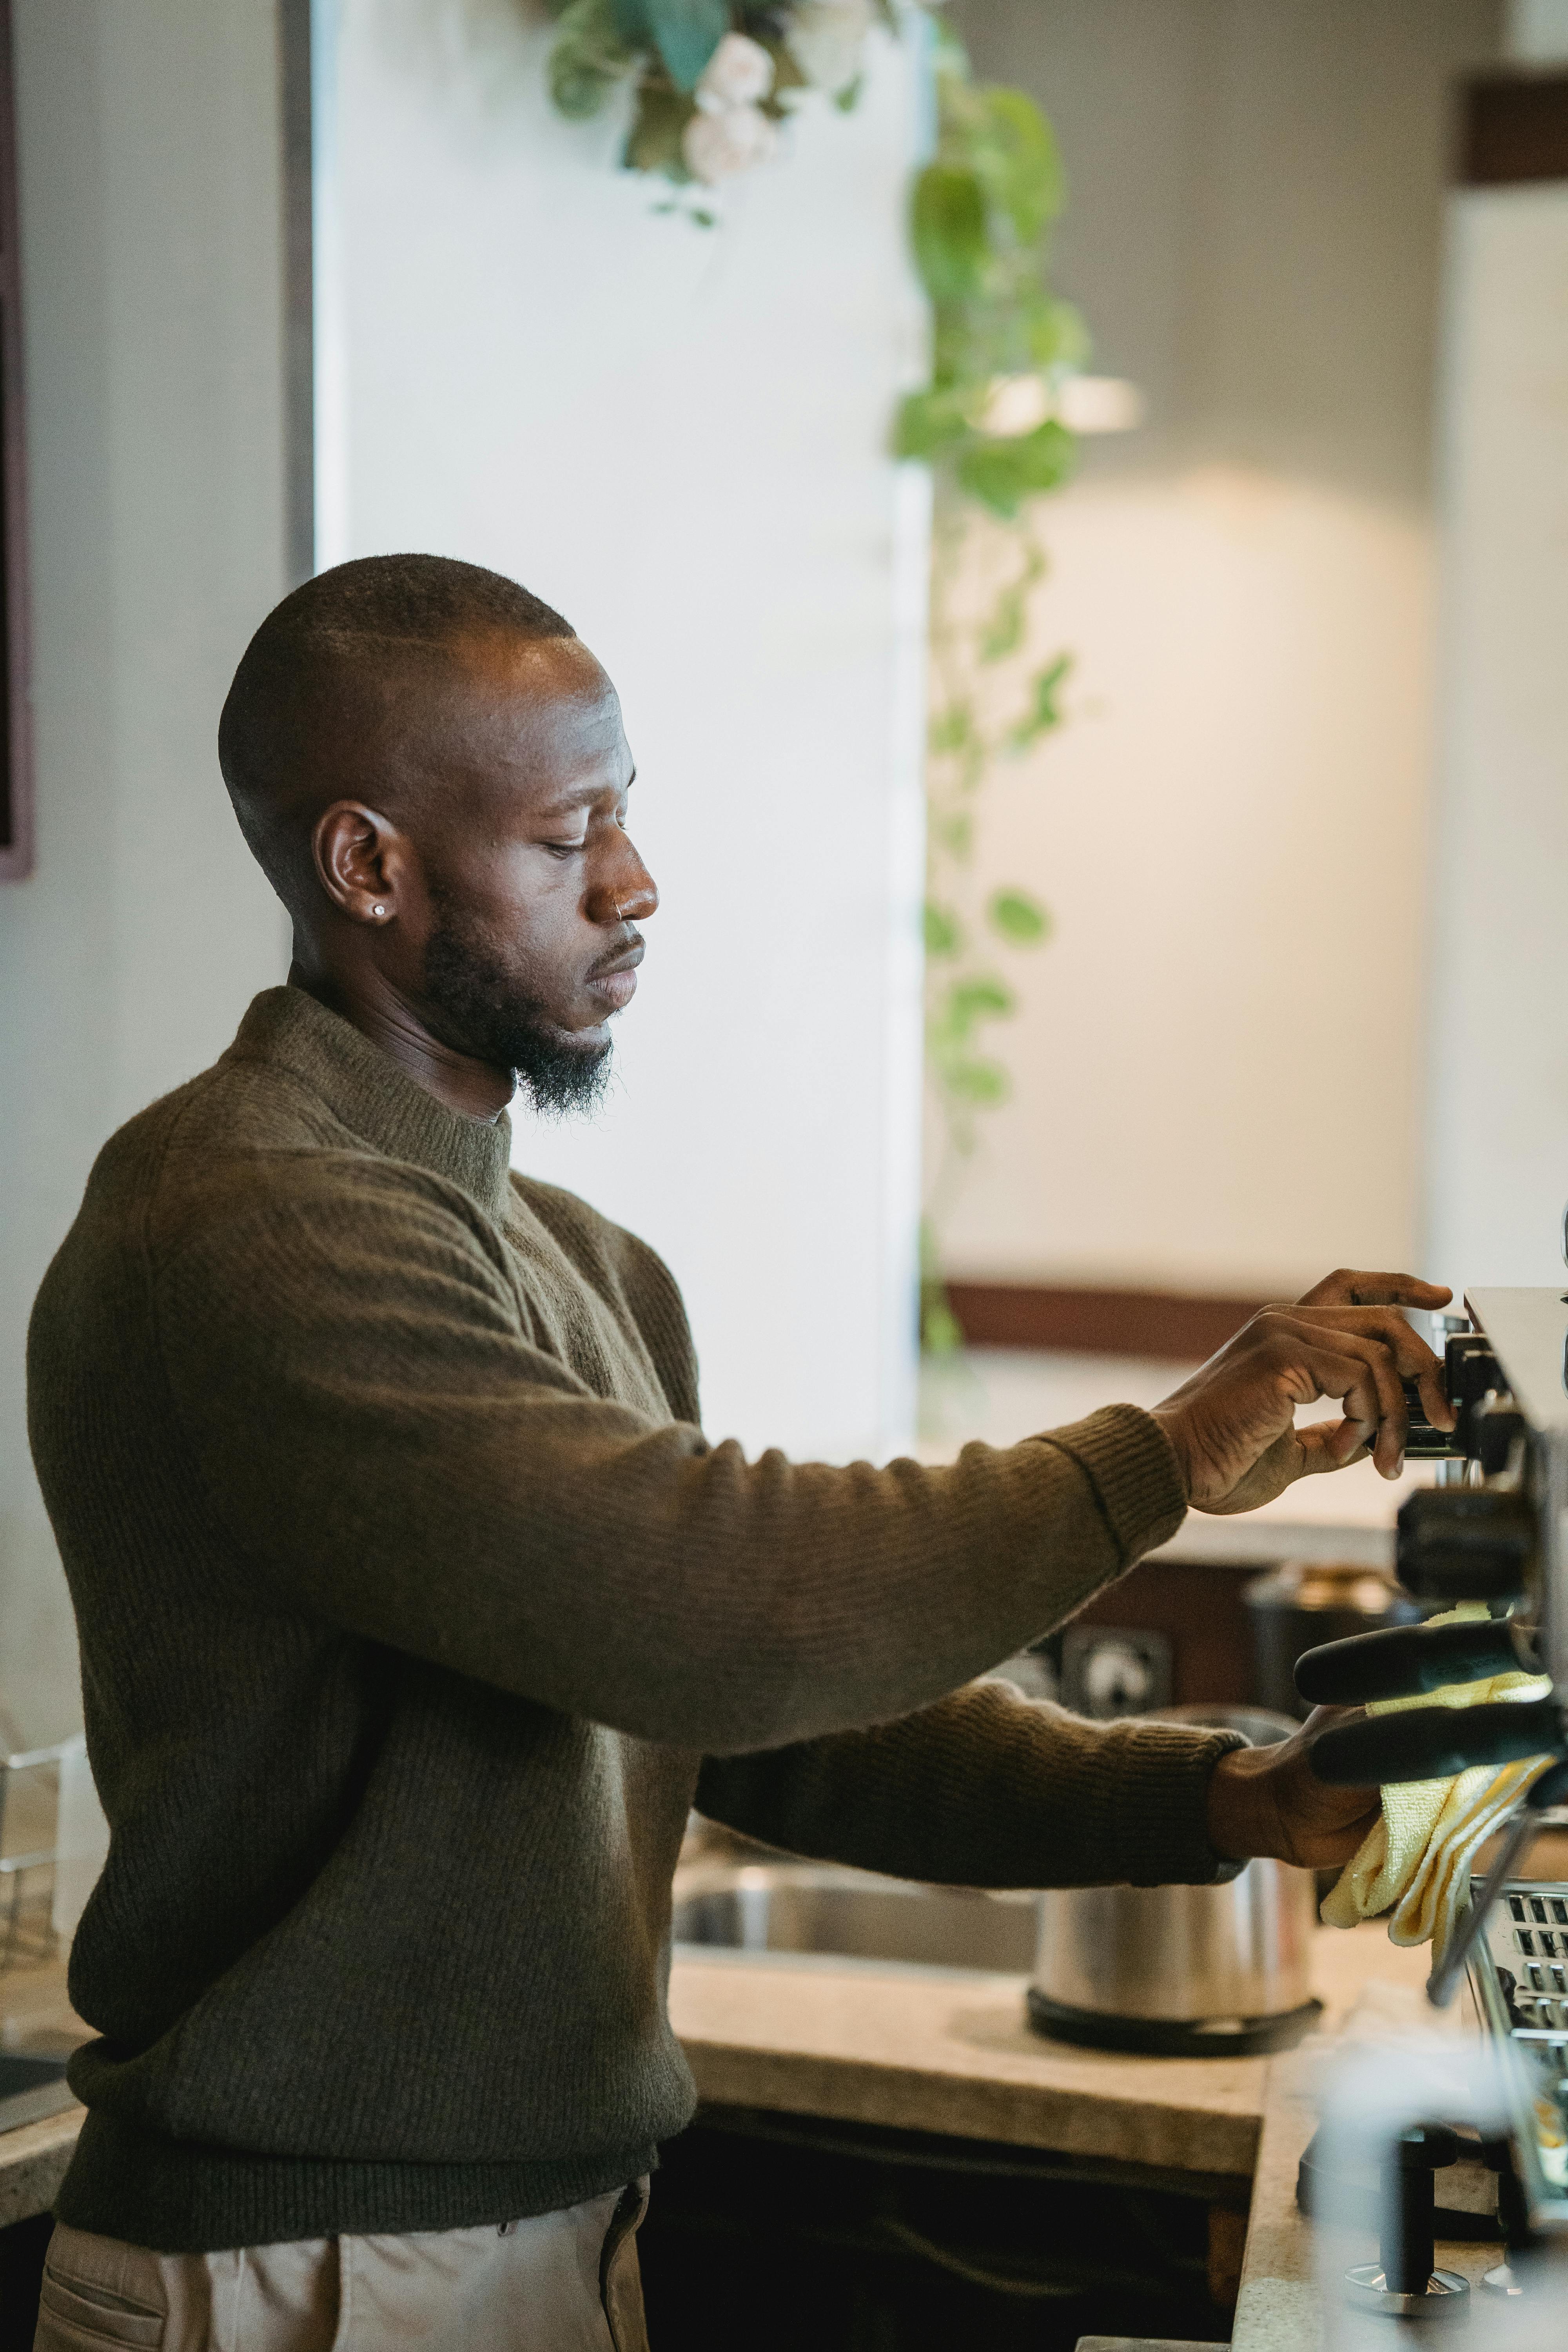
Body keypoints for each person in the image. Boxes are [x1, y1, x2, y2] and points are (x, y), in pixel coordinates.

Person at [26, 555, 1454, 2352]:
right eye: (566, 841)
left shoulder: (582, 1262)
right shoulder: (252, 1223)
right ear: (367, 865)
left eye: (626, 821)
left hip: (516, 2245)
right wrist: (1159, 1454)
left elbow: (747, 1722)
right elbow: (720, 1608)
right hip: (298, 2279)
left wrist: (1220, 1805)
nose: (634, 887)